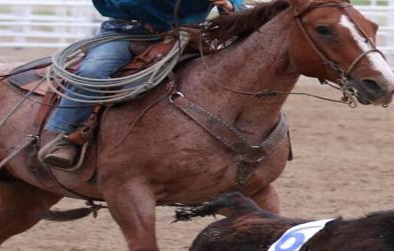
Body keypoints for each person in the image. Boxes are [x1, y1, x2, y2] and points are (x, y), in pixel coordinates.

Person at [39, 0, 242, 169]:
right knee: (92, 72)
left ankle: (230, 136)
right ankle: (64, 135)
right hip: (124, 34)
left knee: (219, 76)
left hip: (186, 36)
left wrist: (228, 5)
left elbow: (239, 8)